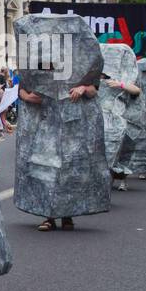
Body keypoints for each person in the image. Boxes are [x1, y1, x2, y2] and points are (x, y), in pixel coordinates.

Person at [18, 77, 100, 231]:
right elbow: (23, 87)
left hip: (73, 125)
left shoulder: (80, 65)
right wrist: (27, 96)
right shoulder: (42, 64)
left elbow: (93, 90)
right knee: (48, 170)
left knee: (69, 171)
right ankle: (49, 216)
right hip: (47, 124)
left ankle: (67, 215)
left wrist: (82, 87)